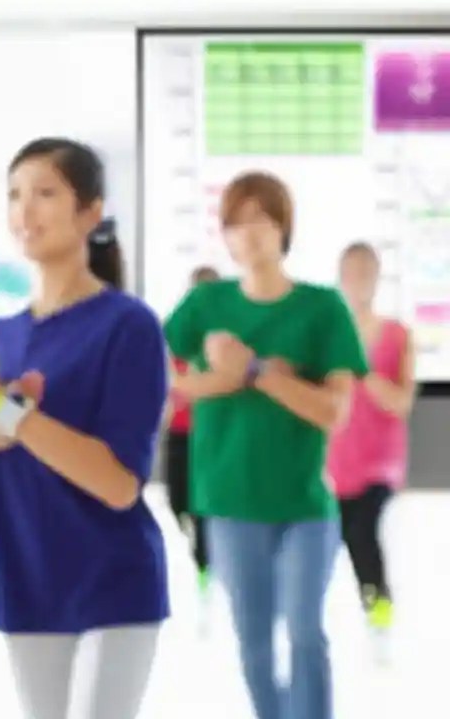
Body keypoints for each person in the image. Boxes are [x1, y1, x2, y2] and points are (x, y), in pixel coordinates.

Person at [0, 138, 169, 719]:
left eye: (45, 193)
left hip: (114, 583)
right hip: (26, 582)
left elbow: (119, 483)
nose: (26, 209)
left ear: (91, 212)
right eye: (15, 195)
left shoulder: (130, 326)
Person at [163, 171, 368, 719]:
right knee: (252, 643)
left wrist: (254, 371)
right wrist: (219, 380)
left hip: (304, 505)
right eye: (235, 222)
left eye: (261, 219)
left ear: (284, 228)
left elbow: (333, 411)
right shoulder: (206, 304)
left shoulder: (322, 308)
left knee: (305, 631)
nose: (248, 234)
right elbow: (160, 377)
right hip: (229, 502)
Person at [327, 241, 413, 656]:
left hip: (381, 460)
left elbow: (402, 402)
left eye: (367, 270)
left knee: (363, 528)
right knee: (345, 532)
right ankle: (370, 603)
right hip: (338, 460)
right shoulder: (328, 334)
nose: (359, 280)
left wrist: (367, 373)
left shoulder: (398, 334)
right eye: (352, 271)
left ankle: (381, 610)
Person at [164, 264, 220, 616]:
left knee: (203, 503)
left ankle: (206, 566)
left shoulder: (224, 339)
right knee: (177, 499)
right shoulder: (176, 334)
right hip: (180, 429)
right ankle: (203, 551)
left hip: (210, 434)